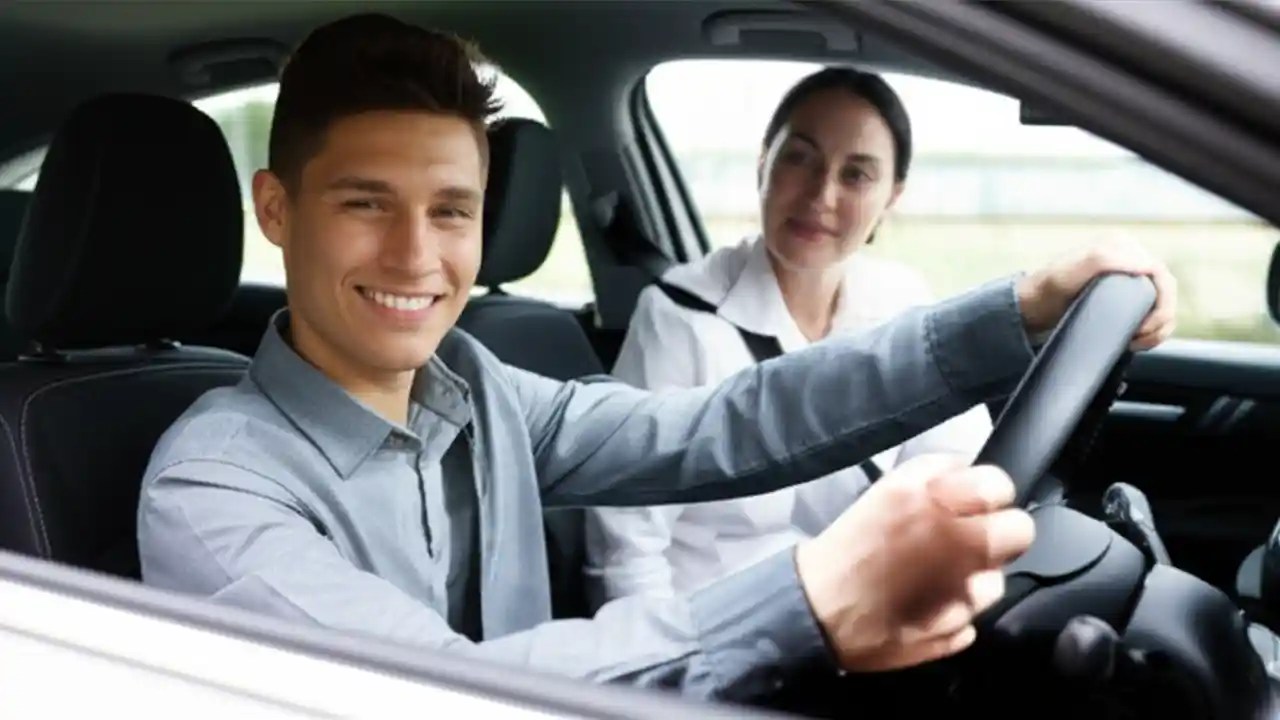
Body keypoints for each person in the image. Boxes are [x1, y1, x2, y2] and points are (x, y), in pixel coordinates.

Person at [135, 12, 1177, 707]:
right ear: (275, 210)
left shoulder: (479, 392)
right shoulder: (210, 485)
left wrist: (1015, 313)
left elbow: (723, 424)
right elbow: (431, 691)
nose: (417, 256)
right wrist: (809, 599)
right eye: (366, 204)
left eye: (451, 211)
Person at [585, 68, 996, 604]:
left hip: (861, 628)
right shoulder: (679, 316)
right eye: (799, 158)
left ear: (891, 198)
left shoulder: (904, 306)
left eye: (856, 175)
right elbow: (626, 549)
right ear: (764, 163)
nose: (821, 195)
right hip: (710, 639)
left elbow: (959, 480)